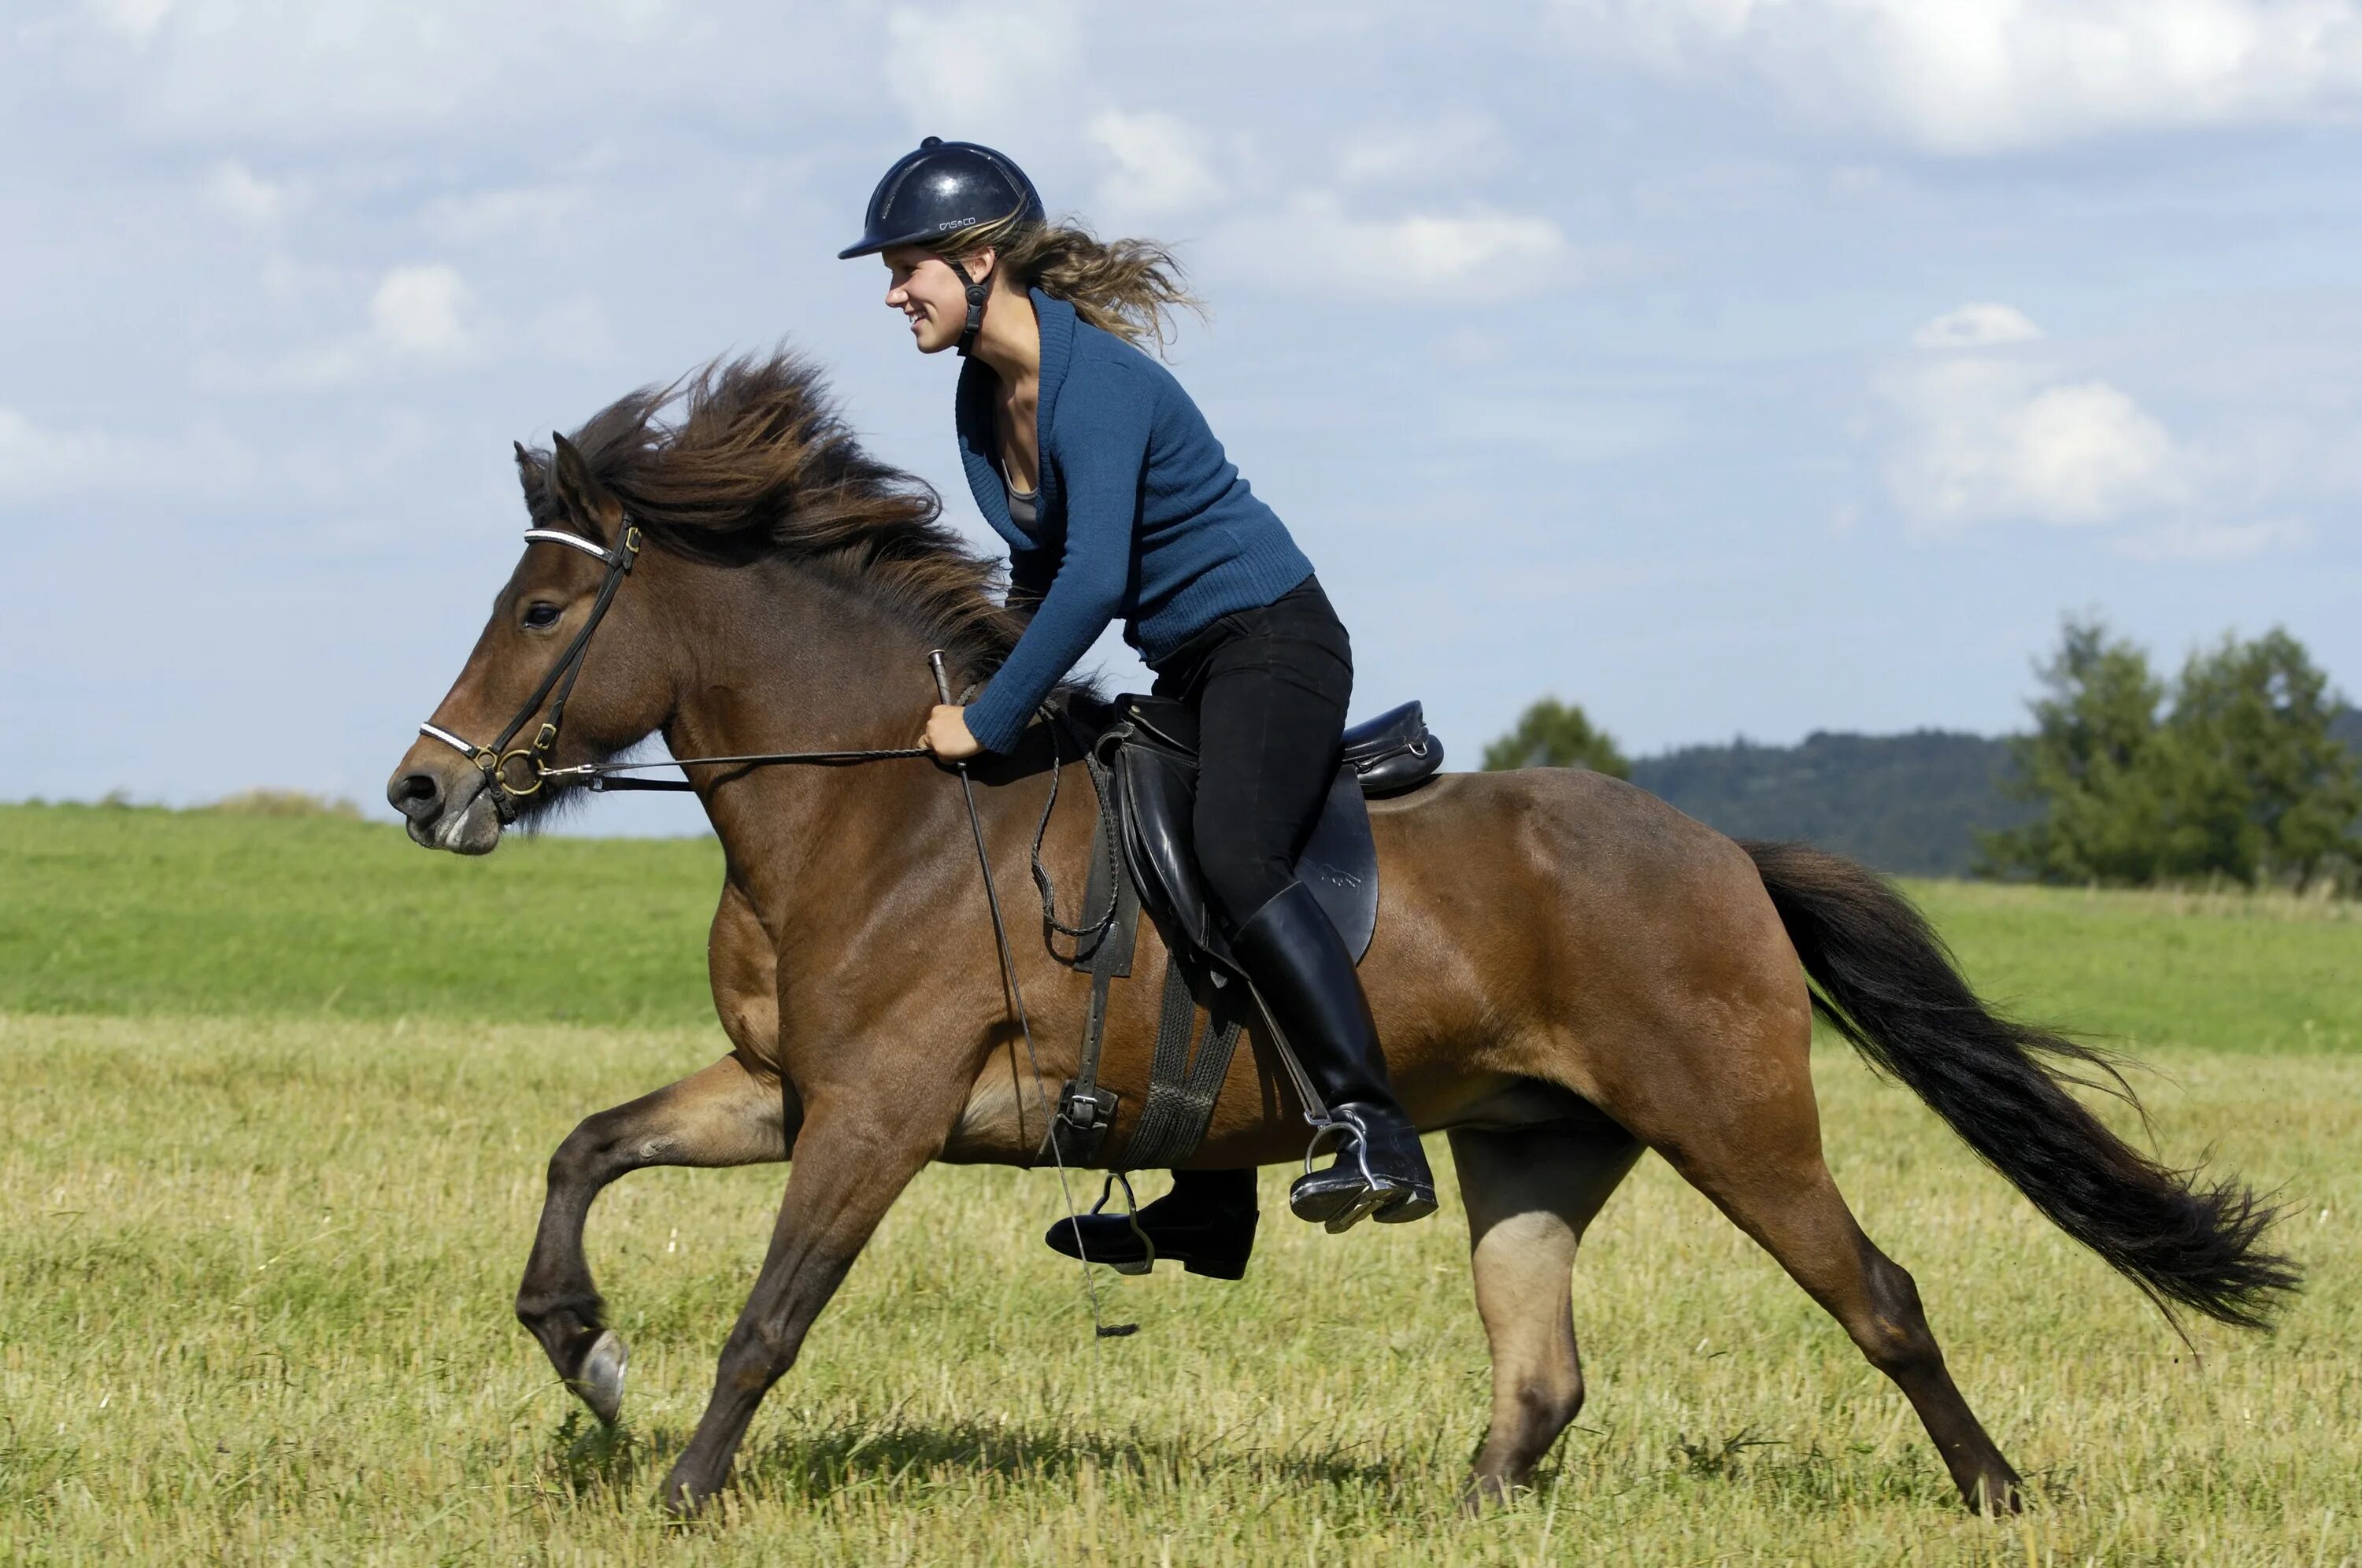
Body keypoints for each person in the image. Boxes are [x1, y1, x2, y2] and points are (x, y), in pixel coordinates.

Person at [839, 138, 1435, 1270]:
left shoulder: (1100, 386)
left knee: (1238, 854)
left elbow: (1094, 582)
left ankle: (1376, 1128)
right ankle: (1211, 1202)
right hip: (1191, 667)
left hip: (1273, 643)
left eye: (906, 267)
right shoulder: (982, 396)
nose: (892, 292)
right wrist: (974, 682)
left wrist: (991, 719)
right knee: (1137, 857)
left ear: (977, 261)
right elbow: (1034, 575)